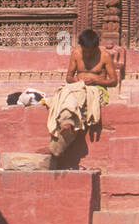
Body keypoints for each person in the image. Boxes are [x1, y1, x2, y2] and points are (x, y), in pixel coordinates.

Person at [46, 30, 118, 163]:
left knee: (79, 102)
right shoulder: (76, 53)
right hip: (77, 88)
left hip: (97, 90)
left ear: (96, 47)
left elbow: (114, 81)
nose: (88, 54)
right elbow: (68, 77)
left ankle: (58, 141)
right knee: (65, 95)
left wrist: (96, 81)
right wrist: (78, 82)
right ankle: (67, 122)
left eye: (91, 51)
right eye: (85, 50)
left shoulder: (105, 56)